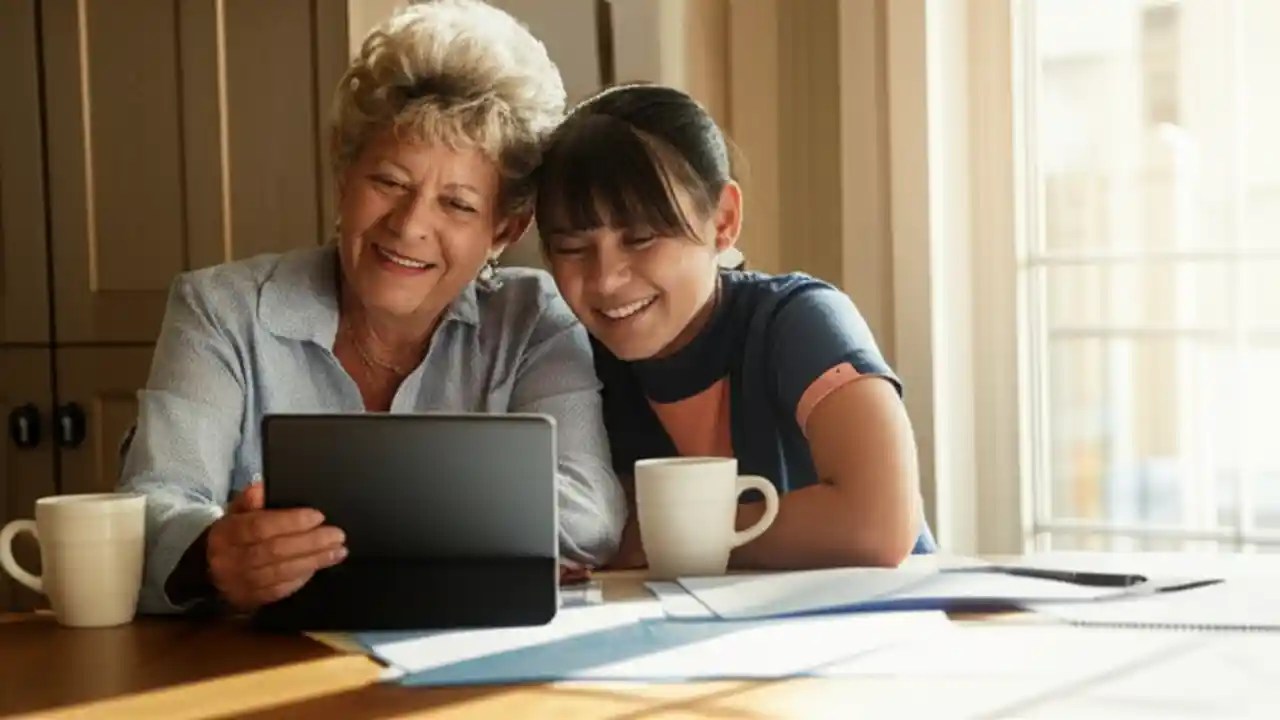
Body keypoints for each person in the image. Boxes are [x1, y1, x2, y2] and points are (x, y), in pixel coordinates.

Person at [117, 0, 625, 614]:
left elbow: (589, 514)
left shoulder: (535, 319)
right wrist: (211, 552)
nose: (410, 225)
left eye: (458, 204)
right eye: (389, 182)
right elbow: (150, 509)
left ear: (503, 230)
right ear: (343, 175)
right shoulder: (221, 310)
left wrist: (362, 510)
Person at [534, 84, 937, 570]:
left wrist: (667, 535)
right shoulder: (568, 362)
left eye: (641, 238)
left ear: (723, 221)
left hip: (880, 626)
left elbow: (880, 525)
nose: (605, 279)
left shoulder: (797, 321)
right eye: (572, 249)